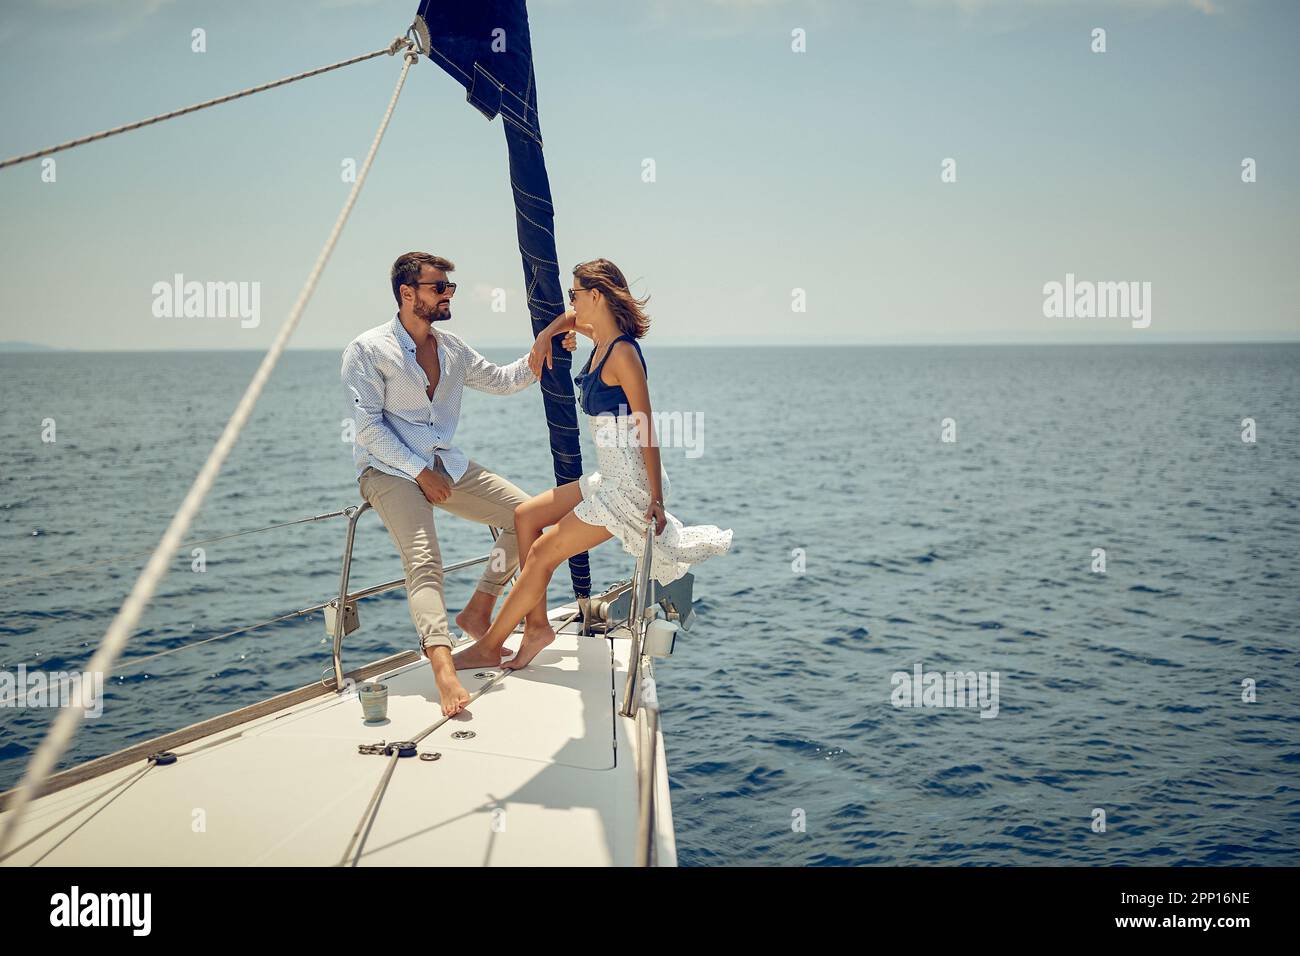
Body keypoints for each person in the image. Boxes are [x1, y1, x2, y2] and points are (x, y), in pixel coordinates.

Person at [340, 251, 576, 716]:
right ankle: (445, 672)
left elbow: (506, 380)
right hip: (386, 471)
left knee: (526, 516)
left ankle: (479, 609)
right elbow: (367, 428)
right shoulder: (367, 350)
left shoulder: (452, 349)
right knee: (426, 560)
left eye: (450, 287)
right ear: (407, 294)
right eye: (438, 287)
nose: (448, 295)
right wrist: (418, 472)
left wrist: (546, 341)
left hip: (444, 463)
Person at [473, 258, 733, 670]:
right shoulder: (598, 338)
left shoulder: (622, 354)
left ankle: (490, 644)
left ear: (596, 296)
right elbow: (569, 320)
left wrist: (658, 500)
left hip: (628, 486)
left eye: (575, 293)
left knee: (542, 552)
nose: (571, 302)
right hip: (605, 476)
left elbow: (647, 428)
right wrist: (545, 336)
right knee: (525, 517)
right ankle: (536, 625)